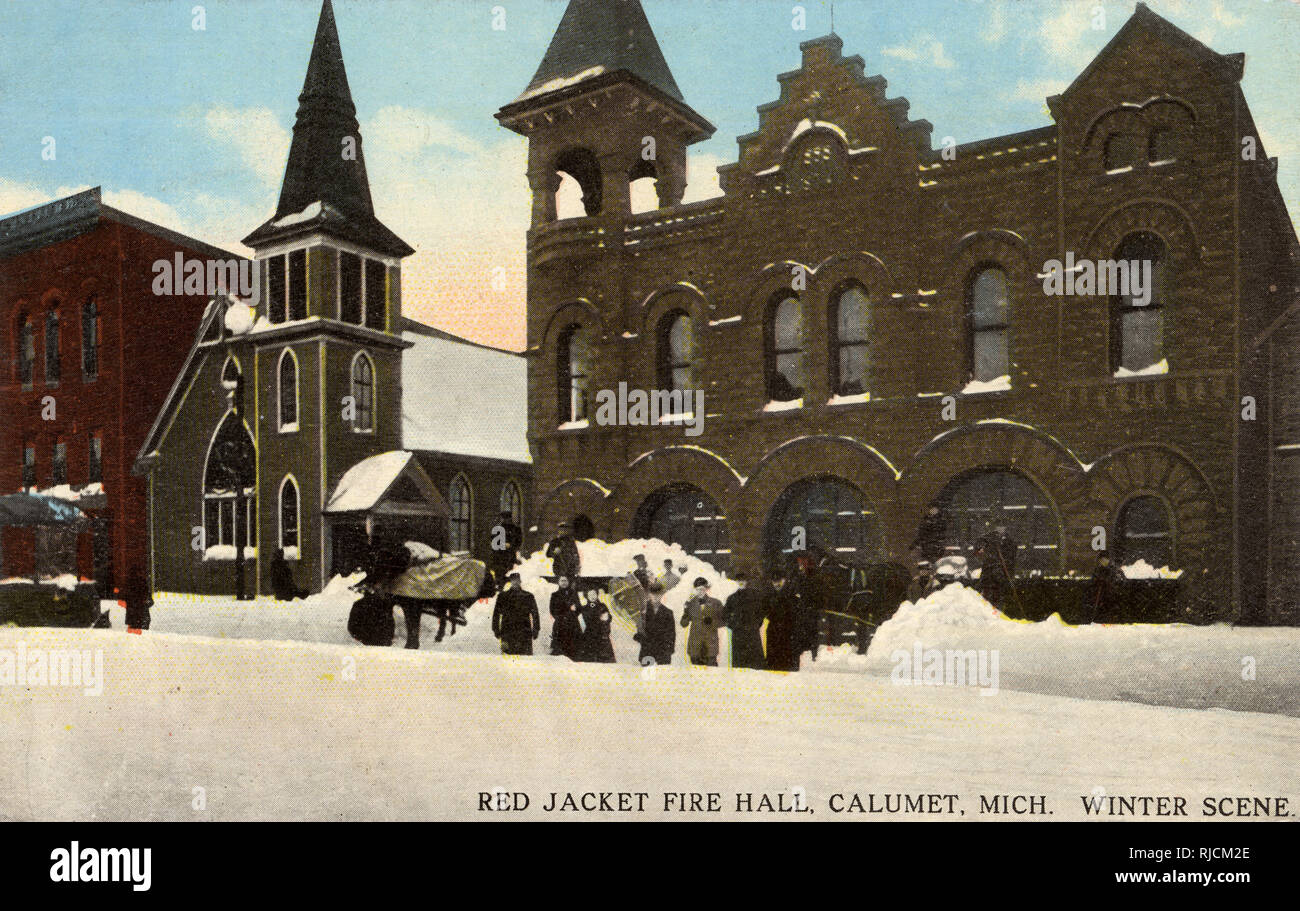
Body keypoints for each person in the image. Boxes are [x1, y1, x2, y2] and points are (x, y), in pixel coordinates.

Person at [723, 571, 767, 669]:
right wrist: (733, 625)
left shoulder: (755, 595)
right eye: (739, 580)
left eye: (743, 580)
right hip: (738, 634)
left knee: (755, 664)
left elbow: (762, 611)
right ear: (736, 582)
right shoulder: (732, 598)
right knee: (740, 664)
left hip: (752, 633)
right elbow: (725, 615)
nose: (741, 582)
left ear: (747, 581)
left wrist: (756, 624)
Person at [680, 577, 726, 666]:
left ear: (706, 589)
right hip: (695, 646)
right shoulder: (691, 603)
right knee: (696, 675)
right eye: (697, 589)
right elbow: (683, 624)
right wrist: (685, 611)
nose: (700, 592)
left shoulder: (716, 603)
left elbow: (724, 620)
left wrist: (712, 622)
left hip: (710, 646)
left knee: (712, 674)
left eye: (702, 589)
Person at [764, 568, 803, 672]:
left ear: (785, 580)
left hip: (788, 633)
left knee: (787, 667)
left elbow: (797, 615)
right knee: (776, 667)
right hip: (776, 633)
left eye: (779, 581)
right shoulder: (770, 596)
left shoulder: (792, 596)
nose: (776, 584)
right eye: (774, 581)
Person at [492, 573, 540, 655]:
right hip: (507, 631)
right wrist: (496, 629)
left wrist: (536, 629)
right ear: (510, 581)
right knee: (506, 659)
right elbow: (496, 614)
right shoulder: (503, 596)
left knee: (525, 661)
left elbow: (535, 614)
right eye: (513, 580)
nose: (515, 582)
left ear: (520, 581)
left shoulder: (528, 596)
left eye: (517, 580)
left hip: (524, 632)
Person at [974, 525, 1017, 609]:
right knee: (987, 595)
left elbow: (1011, 556)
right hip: (989, 572)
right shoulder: (988, 538)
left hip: (1002, 574)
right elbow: (978, 547)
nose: (1000, 529)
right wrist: (981, 548)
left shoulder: (1009, 541)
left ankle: (999, 611)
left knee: (1000, 595)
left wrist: (1005, 562)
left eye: (1002, 527)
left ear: (1005, 529)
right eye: (998, 527)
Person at [635, 581, 675, 666]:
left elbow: (671, 634)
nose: (656, 597)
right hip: (647, 650)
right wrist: (640, 637)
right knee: (647, 677)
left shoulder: (668, 612)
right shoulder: (642, 611)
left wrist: (668, 651)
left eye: (658, 594)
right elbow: (639, 631)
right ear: (649, 595)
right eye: (653, 594)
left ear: (662, 595)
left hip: (662, 652)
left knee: (663, 677)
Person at [549, 575, 584, 660]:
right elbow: (552, 610)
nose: (564, 582)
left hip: (573, 624)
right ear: (558, 582)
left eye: (565, 580)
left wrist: (575, 610)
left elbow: (579, 608)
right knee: (560, 652)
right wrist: (568, 610)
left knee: (574, 649)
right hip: (560, 625)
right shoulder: (555, 595)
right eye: (562, 580)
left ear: (568, 582)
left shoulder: (573, 593)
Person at [579, 591, 617, 663]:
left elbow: (608, 618)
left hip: (601, 633)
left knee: (605, 660)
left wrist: (607, 617)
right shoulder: (585, 608)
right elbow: (587, 619)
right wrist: (598, 618)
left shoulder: (602, 606)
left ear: (597, 595)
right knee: (588, 660)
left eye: (594, 594)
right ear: (587, 596)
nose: (592, 596)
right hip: (589, 634)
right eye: (590, 594)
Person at [488, 510, 523, 587]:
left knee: (509, 574)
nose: (506, 520)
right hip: (499, 556)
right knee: (500, 575)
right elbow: (493, 543)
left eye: (507, 518)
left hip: (509, 556)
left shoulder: (516, 529)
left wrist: (511, 546)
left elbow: (519, 542)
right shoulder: (497, 529)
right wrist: (502, 545)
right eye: (504, 518)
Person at [1084, 550, 1121, 624]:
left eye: (1104, 559)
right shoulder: (1097, 570)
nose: (1103, 562)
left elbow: (1119, 582)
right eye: (1101, 560)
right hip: (1100, 599)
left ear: (1108, 560)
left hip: (1112, 598)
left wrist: (1108, 582)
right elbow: (1093, 583)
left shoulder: (1114, 570)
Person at [545, 521, 581, 587]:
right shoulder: (554, 542)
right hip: (559, 568)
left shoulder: (571, 542)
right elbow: (548, 554)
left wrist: (577, 566)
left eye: (565, 530)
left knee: (570, 587)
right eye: (561, 530)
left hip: (570, 569)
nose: (563, 531)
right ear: (558, 531)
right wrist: (554, 552)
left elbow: (576, 554)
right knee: (561, 587)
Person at [122, 566, 153, 631]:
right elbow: (147, 595)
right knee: (142, 630)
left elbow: (124, 596)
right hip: (141, 612)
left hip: (133, 613)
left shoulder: (128, 582)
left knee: (134, 630)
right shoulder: (142, 581)